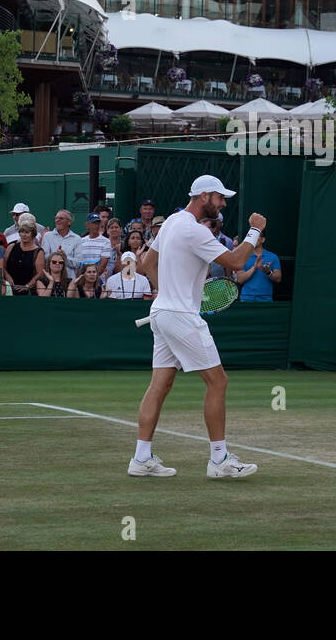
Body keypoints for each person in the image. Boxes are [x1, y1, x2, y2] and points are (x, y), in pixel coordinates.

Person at [129, 174, 267, 480]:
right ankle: (219, 460)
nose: (223, 204)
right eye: (220, 198)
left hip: (162, 312)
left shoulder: (171, 223)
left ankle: (141, 458)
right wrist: (255, 230)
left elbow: (147, 264)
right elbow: (235, 262)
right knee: (218, 382)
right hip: (180, 316)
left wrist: (166, 293)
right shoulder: (195, 230)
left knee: (160, 385)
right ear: (204, 196)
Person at [3, 213, 44, 294]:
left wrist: (27, 286)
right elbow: (3, 267)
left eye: (27, 232)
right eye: (21, 231)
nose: (24, 235)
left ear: (33, 234)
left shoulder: (38, 252)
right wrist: (7, 276)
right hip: (10, 290)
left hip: (28, 293)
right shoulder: (11, 247)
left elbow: (40, 273)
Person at [235, 233, 281, 301]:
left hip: (266, 299)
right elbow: (240, 280)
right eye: (251, 236)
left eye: (256, 236)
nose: (253, 239)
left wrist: (268, 272)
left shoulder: (273, 257)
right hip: (246, 298)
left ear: (262, 239)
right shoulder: (243, 256)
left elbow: (278, 279)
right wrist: (254, 267)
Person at [40, 210, 82, 280]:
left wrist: (65, 258)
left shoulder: (77, 239)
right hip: (51, 279)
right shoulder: (47, 236)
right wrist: (57, 257)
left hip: (69, 279)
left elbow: (78, 263)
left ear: (69, 222)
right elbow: (44, 258)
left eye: (61, 218)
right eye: (56, 218)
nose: (57, 220)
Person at [72, 213, 112, 281]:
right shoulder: (81, 241)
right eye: (93, 223)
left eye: (98, 223)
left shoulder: (106, 242)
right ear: (87, 225)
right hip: (82, 280)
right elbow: (78, 264)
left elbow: (102, 265)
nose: (96, 226)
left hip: (98, 281)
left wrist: (92, 279)